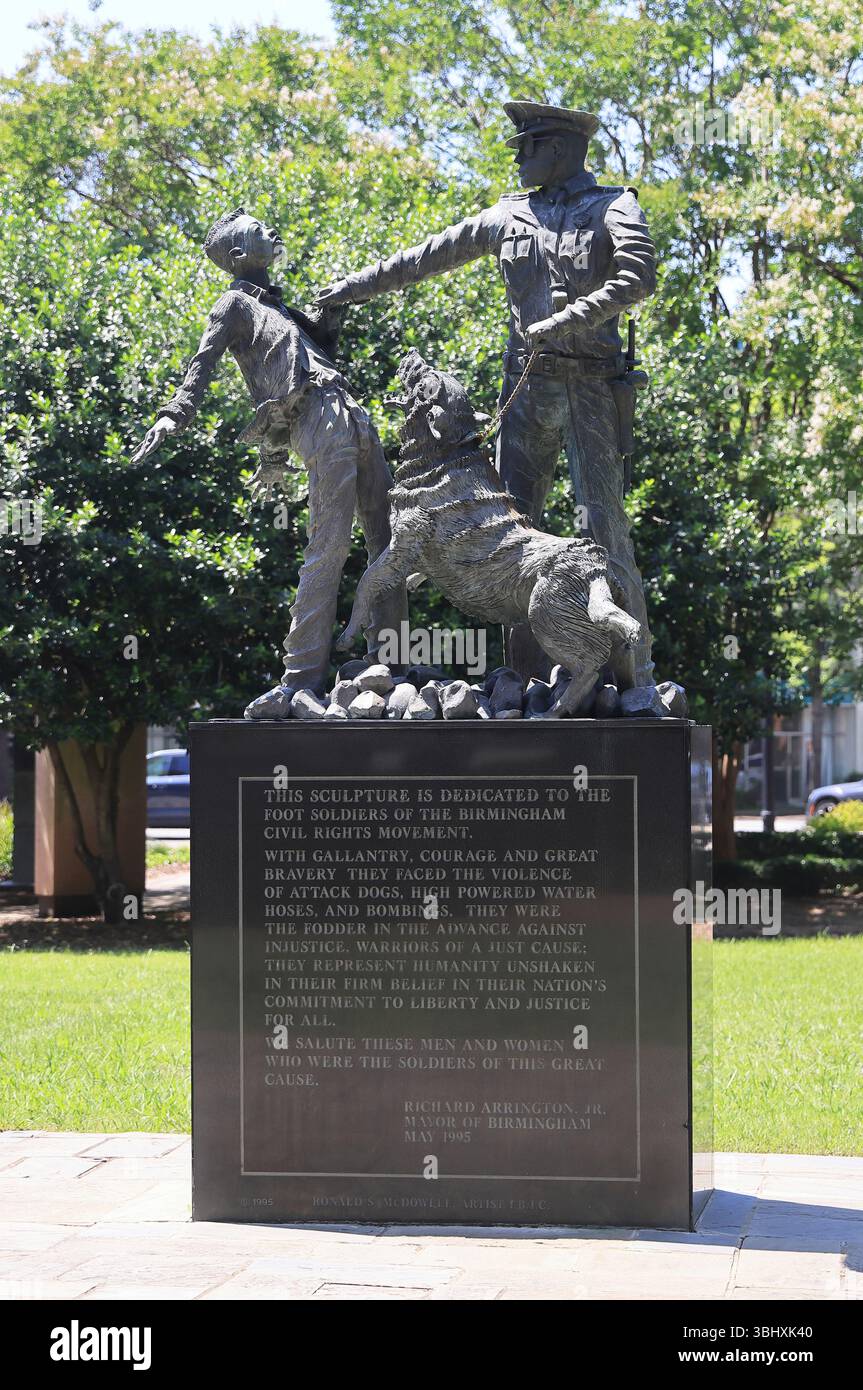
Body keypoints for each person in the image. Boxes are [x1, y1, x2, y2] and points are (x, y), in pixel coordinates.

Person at [317, 101, 657, 685]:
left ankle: (633, 677)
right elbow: (424, 258)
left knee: (604, 526)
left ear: (557, 150)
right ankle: (523, 678)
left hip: (592, 390)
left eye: (527, 148)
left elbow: (638, 277)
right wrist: (349, 289)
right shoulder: (506, 216)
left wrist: (569, 320)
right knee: (514, 534)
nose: (518, 158)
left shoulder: (613, 206)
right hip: (526, 390)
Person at [131, 207, 404, 713]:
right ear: (237, 255)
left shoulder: (281, 310)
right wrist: (174, 415)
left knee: (390, 541)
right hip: (318, 420)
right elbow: (202, 363)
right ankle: (300, 676)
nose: (271, 233)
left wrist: (333, 315)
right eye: (260, 231)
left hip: (351, 413)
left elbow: (318, 350)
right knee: (330, 546)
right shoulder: (233, 305)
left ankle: (390, 660)